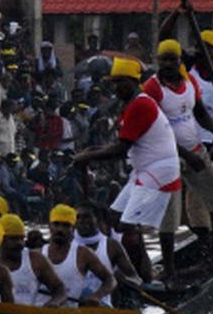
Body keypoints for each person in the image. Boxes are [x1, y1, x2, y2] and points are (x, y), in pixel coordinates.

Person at [72, 58, 180, 272]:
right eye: (113, 83)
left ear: (132, 82)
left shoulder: (141, 104)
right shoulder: (131, 105)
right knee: (114, 216)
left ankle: (139, 274)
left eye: (119, 82)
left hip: (159, 169)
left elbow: (121, 150)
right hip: (144, 169)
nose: (114, 88)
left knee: (126, 225)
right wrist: (90, 152)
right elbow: (120, 143)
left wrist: (87, 158)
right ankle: (141, 268)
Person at [142, 40, 213, 279]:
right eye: (164, 59)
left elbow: (199, 112)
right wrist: (187, 156)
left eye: (173, 59)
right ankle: (169, 272)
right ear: (158, 61)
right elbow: (158, 131)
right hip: (168, 158)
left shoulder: (190, 83)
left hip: (196, 151)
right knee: (170, 217)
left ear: (181, 60)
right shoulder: (152, 89)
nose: (168, 64)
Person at [41, 204, 115, 307]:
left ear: (73, 228)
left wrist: (97, 296)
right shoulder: (38, 253)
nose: (60, 229)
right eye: (56, 224)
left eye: (66, 225)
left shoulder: (83, 254)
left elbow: (110, 280)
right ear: (49, 226)